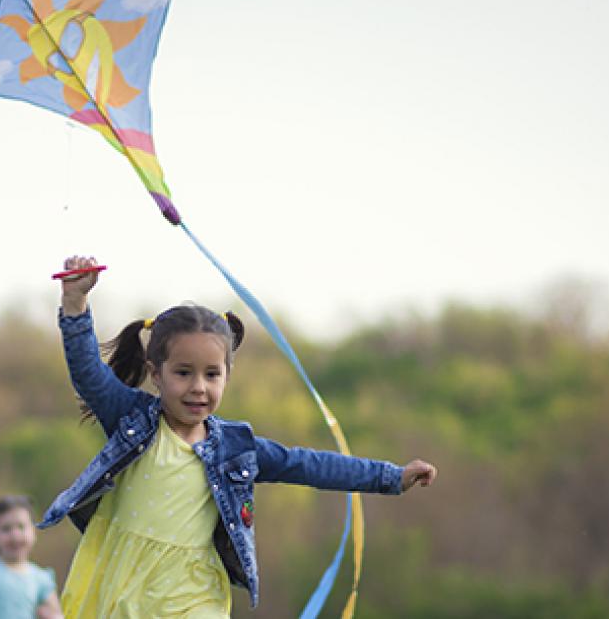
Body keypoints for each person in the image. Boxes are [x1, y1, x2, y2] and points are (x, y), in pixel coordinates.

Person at [40, 256, 438, 617]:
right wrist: (75, 304)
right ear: (155, 372)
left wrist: (390, 476)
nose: (199, 387)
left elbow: (310, 465)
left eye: (212, 374)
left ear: (227, 376)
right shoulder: (132, 419)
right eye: (183, 373)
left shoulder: (236, 450)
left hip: (192, 592)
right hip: (123, 583)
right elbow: (89, 374)